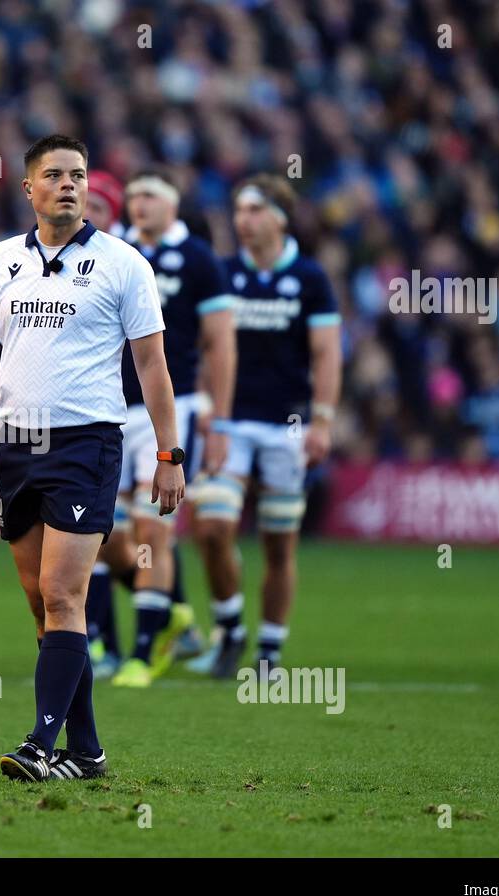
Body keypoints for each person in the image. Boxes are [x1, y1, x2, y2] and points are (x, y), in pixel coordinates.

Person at [0, 134, 183, 781]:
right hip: (17, 445)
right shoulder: (0, 261)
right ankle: (88, 752)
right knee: (43, 607)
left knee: (64, 593)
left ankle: (40, 743)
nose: (70, 184)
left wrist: (168, 452)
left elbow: (151, 365)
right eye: (55, 175)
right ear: (29, 189)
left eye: (78, 175)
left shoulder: (125, 265)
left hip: (85, 441)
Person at [187, 175, 342, 678]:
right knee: (212, 528)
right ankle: (230, 628)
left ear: (280, 215)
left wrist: (322, 420)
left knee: (279, 542)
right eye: (238, 210)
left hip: (286, 426)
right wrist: (210, 408)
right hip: (230, 422)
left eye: (253, 209)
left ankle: (269, 652)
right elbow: (206, 348)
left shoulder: (311, 278)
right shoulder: (222, 273)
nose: (242, 220)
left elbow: (326, 353)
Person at [106, 170, 237, 688]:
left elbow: (221, 344)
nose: (139, 204)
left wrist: (218, 418)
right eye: (133, 196)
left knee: (152, 530)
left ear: (173, 204)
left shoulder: (200, 260)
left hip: (171, 407)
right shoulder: (114, 253)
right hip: (112, 409)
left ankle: (143, 651)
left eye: (150, 196)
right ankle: (176, 612)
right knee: (104, 537)